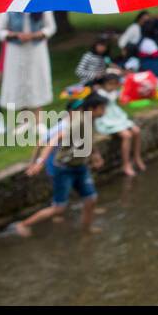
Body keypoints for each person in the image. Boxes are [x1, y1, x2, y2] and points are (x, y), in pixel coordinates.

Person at [15, 93, 107, 237]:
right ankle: (23, 224)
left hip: (80, 167)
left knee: (91, 200)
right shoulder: (77, 123)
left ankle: (86, 230)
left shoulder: (90, 120)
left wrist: (96, 155)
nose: (105, 111)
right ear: (92, 109)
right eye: (102, 108)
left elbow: (88, 140)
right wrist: (38, 163)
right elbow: (51, 142)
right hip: (64, 168)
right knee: (59, 209)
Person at [0, 11, 56, 115]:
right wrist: (15, 35)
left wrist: (35, 35)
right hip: (15, 51)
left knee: (37, 79)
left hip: (37, 49)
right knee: (19, 80)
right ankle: (24, 119)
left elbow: (51, 27)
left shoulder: (43, 6)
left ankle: (38, 118)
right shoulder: (10, 7)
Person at [88, 68, 145, 176]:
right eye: (110, 84)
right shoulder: (99, 94)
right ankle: (126, 164)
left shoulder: (114, 92)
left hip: (117, 116)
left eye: (115, 84)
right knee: (127, 135)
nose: (113, 87)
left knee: (136, 131)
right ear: (104, 84)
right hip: (106, 119)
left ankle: (137, 157)